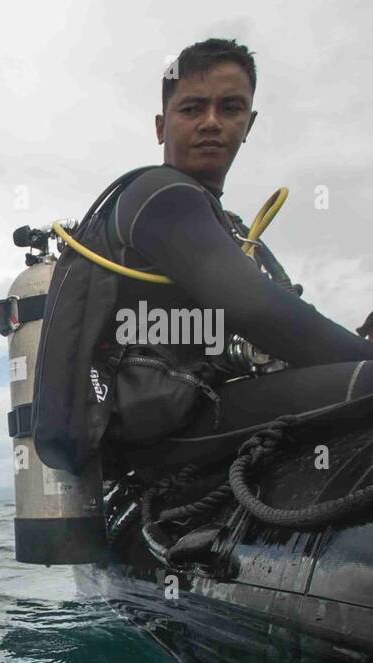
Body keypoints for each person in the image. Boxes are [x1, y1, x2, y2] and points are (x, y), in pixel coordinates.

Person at [38, 39, 373, 477]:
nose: (211, 122)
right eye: (192, 109)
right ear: (161, 126)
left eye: (230, 107)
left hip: (201, 410)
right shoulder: (160, 195)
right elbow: (261, 311)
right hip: (164, 433)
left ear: (249, 123)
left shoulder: (226, 225)